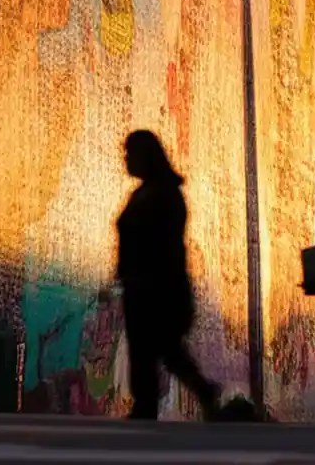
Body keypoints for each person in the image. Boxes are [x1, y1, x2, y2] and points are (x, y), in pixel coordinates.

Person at [112, 130, 221, 420]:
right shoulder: (149, 193)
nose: (126, 159)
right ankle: (186, 395)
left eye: (130, 153)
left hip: (158, 287)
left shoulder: (163, 196)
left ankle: (156, 403)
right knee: (157, 349)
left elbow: (164, 244)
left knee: (158, 348)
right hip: (144, 285)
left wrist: (145, 277)